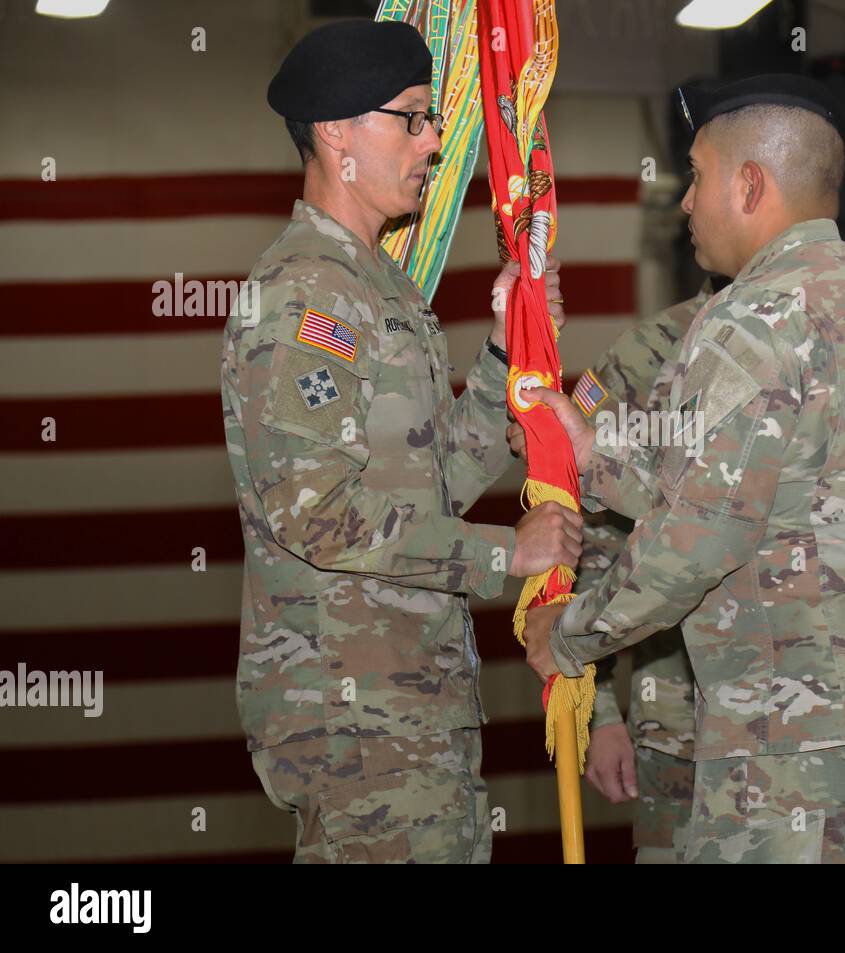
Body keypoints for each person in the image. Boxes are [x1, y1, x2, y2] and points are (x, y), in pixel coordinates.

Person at [518, 74, 845, 863]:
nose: (683, 202)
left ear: (750, 184)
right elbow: (778, 490)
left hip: (809, 748)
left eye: (698, 176)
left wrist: (569, 637)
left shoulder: (752, 316)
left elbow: (697, 538)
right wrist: (592, 453)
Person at [220, 19, 582, 863]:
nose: (433, 143)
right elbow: (316, 516)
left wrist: (501, 353)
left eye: (433, 121)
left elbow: (436, 481)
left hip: (408, 703)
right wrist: (506, 556)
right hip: (355, 719)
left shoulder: (375, 283)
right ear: (338, 135)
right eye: (413, 118)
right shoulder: (306, 295)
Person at [563, 281, 718, 863]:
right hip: (679, 721)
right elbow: (592, 536)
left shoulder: (824, 331)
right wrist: (598, 713)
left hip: (804, 724)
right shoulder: (650, 350)